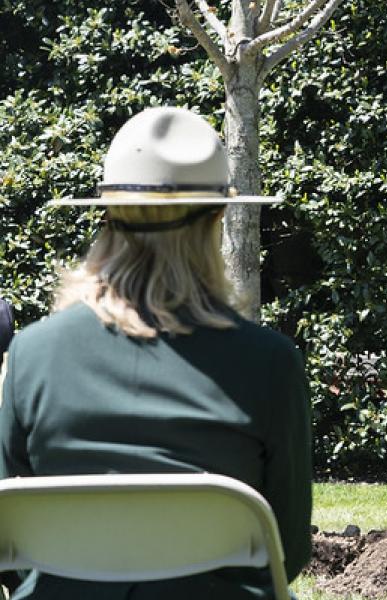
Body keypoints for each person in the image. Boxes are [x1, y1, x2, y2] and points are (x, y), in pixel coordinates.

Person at [0, 106, 312, 599]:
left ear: (106, 216)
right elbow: (286, 551)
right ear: (218, 217)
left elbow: (11, 547)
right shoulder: (270, 362)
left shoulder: (30, 356)